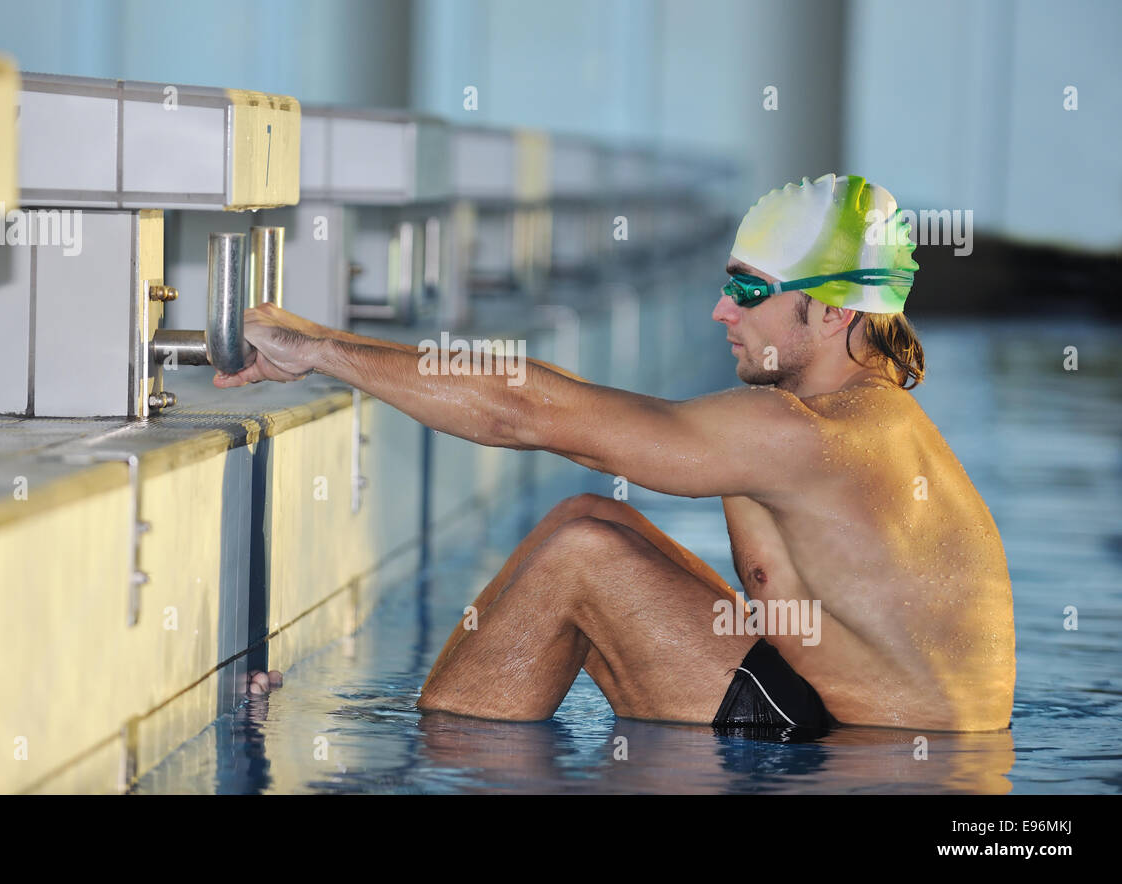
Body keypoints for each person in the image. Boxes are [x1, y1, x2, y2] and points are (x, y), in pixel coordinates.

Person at [218, 174, 1015, 735]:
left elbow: (523, 413)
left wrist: (318, 351)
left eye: (747, 291)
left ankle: (431, 747)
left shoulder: (812, 435)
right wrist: (328, 340)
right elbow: (565, 404)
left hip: (857, 762)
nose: (719, 310)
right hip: (846, 725)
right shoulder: (861, 419)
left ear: (835, 311)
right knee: (591, 517)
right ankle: (433, 718)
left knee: (581, 556)